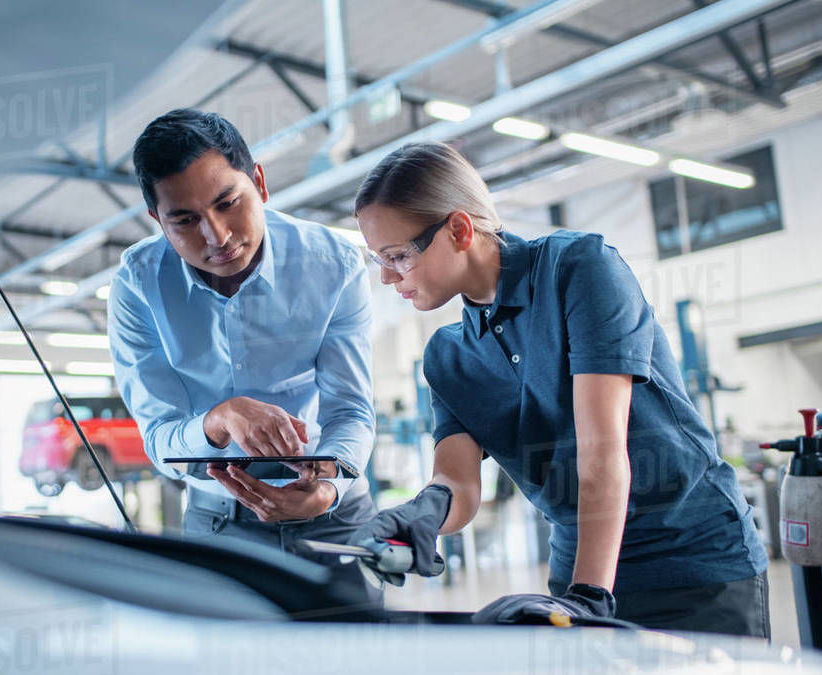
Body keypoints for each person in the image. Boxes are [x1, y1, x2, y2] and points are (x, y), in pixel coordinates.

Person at [348, 142, 769, 636]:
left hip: (692, 567)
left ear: (460, 230)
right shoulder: (449, 356)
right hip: (576, 574)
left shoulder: (579, 269)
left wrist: (589, 595)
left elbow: (600, 450)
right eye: (378, 259)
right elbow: (459, 484)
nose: (385, 275)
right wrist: (421, 513)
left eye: (397, 255)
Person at [108, 109, 379, 605]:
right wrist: (218, 420)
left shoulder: (334, 265)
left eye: (228, 203)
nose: (217, 236)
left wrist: (327, 486)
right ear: (157, 220)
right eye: (185, 220)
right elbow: (159, 437)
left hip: (334, 516)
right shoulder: (137, 287)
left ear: (259, 182)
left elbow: (351, 412)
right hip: (218, 524)